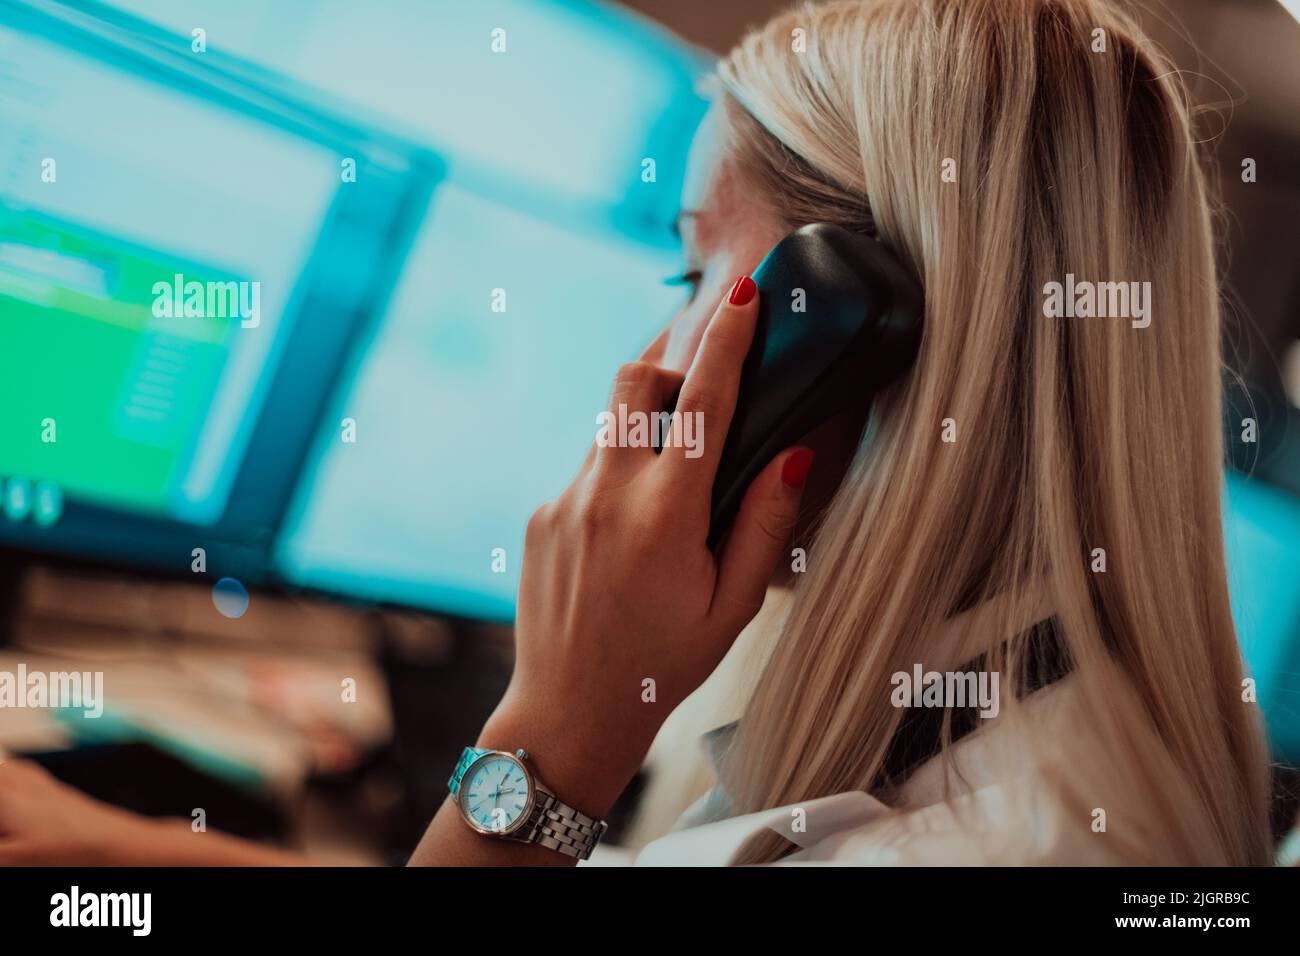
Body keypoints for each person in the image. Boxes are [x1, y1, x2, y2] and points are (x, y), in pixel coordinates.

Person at [0, 0, 1273, 867]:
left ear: (835, 335)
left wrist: (554, 732)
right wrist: (120, 849)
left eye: (688, 277)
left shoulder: (1000, 844)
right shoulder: (963, 684)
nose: (647, 361)